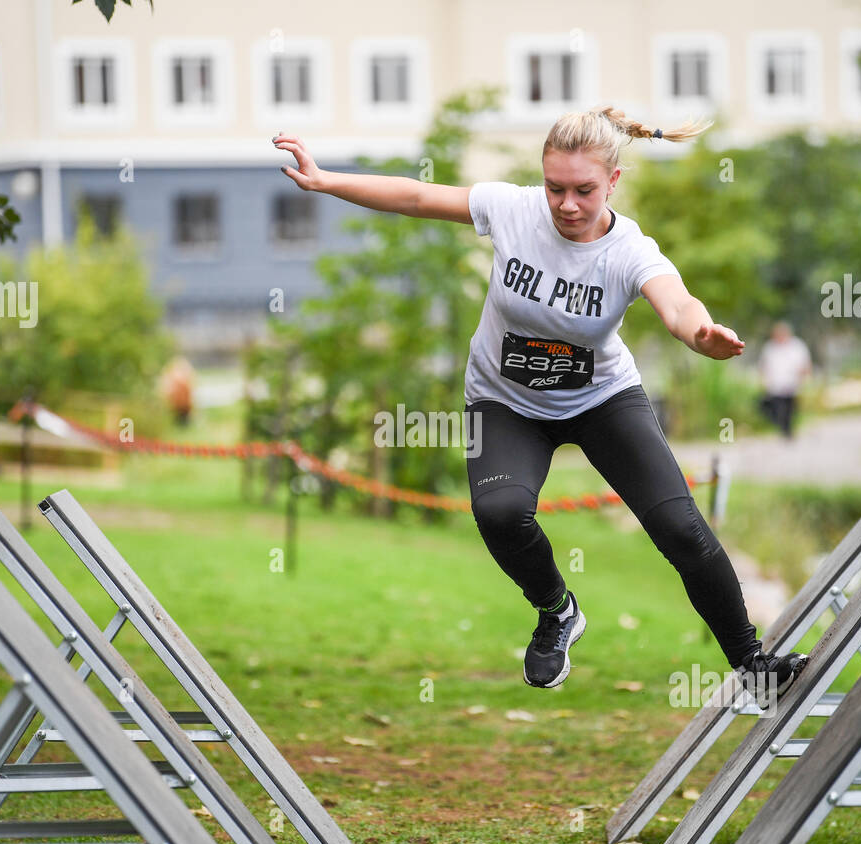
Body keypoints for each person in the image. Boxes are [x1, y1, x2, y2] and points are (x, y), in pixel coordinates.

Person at [273, 106, 807, 699]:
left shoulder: (630, 250)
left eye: (584, 190)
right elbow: (418, 198)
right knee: (500, 513)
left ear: (613, 183)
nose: (568, 205)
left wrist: (699, 334)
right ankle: (557, 610)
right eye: (556, 188)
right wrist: (326, 181)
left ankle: (752, 663)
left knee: (679, 528)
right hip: (504, 400)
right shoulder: (512, 209)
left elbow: (678, 304)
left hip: (602, 397)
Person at [757, 321, 812, 440]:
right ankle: (783, 429)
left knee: (790, 410)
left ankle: (788, 431)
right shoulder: (770, 348)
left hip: (792, 384)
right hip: (776, 385)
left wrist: (804, 378)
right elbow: (764, 366)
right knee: (777, 409)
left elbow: (805, 364)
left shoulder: (797, 346)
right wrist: (764, 381)